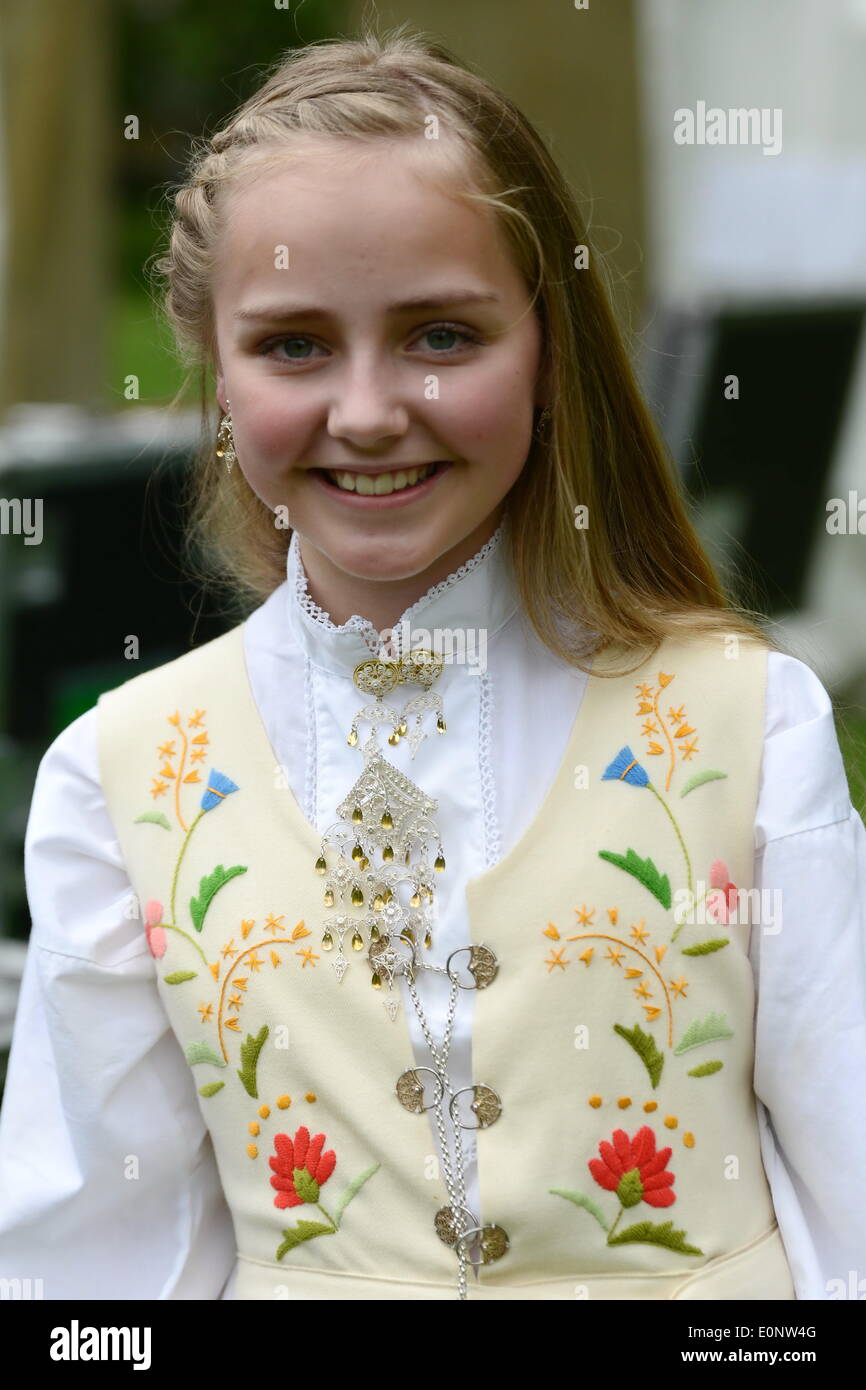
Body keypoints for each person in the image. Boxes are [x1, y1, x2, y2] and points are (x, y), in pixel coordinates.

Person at [1, 24, 865, 1303]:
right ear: (218, 374)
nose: (365, 409)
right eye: (293, 345)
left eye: (441, 336)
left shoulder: (748, 724)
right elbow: (92, 1279)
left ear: (548, 349)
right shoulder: (118, 780)